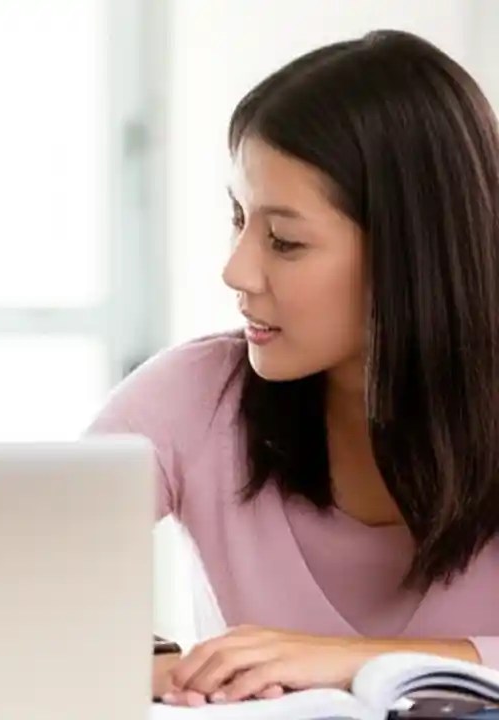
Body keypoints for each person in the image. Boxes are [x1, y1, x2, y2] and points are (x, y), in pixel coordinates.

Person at [88, 30, 499, 707]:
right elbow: (17, 582)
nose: (236, 270)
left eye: (284, 240)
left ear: (409, 255)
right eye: (239, 218)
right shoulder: (190, 399)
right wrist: (145, 663)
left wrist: (347, 661)